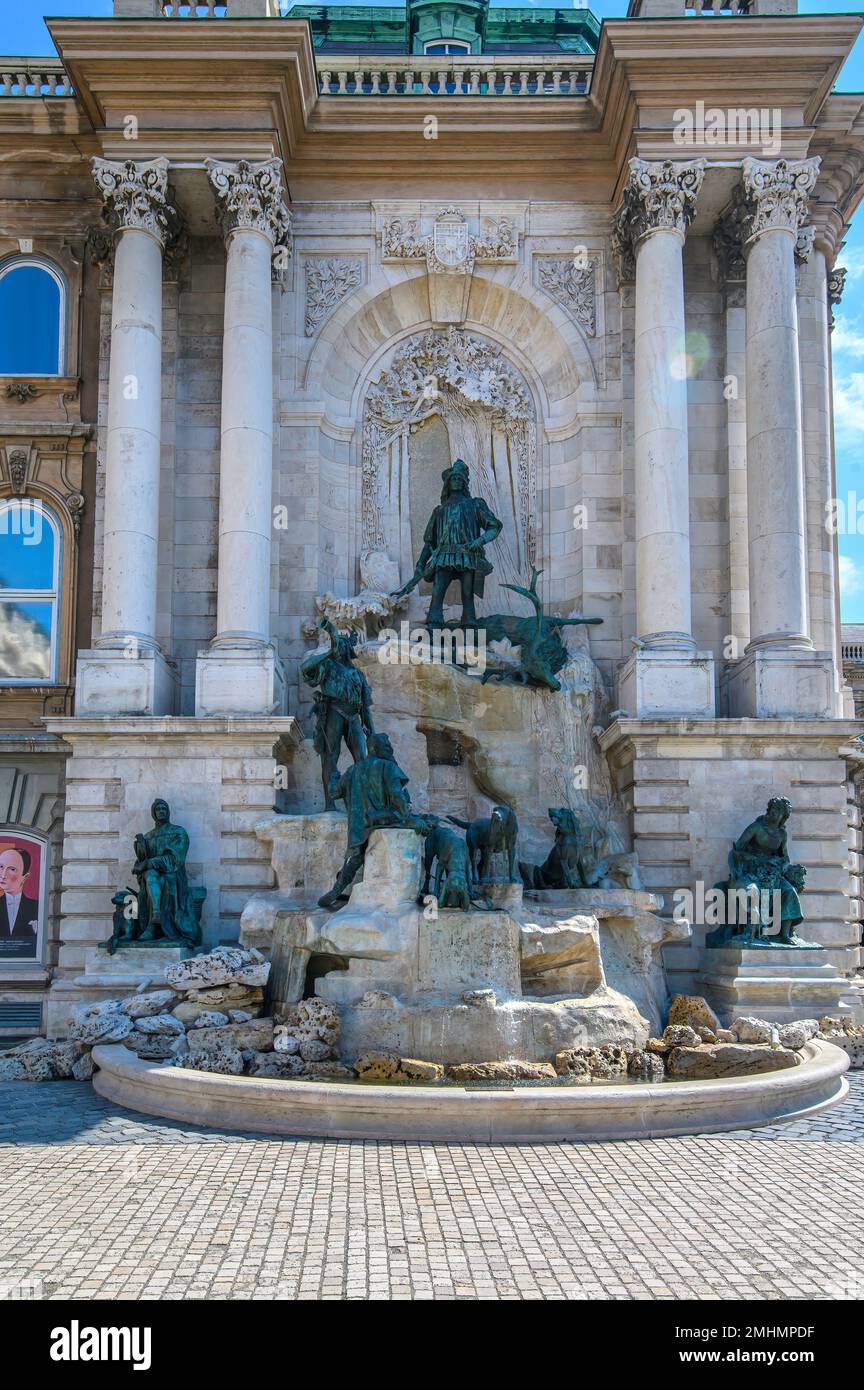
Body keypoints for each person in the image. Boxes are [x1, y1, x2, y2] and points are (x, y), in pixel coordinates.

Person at [318, 732, 428, 910]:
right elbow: (397, 795)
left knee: (355, 857)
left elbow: (334, 792)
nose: (390, 749)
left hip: (360, 826)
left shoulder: (353, 770)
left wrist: (333, 778)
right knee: (423, 824)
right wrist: (406, 816)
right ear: (375, 748)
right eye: (387, 747)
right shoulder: (388, 766)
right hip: (384, 819)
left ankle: (336, 889)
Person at [391, 458, 502, 626]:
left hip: (467, 555)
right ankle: (434, 624)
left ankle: (469, 624)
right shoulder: (439, 510)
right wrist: (421, 563)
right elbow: (429, 542)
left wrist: (479, 541)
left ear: (464, 483)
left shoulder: (475, 504)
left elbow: (494, 526)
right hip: (444, 556)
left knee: (467, 595)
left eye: (460, 478)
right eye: (453, 478)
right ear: (447, 483)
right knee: (438, 592)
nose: (456, 481)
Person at [300, 617, 375, 811]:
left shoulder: (358, 674)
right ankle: (330, 804)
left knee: (362, 759)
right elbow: (305, 668)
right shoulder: (328, 666)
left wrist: (372, 731)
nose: (339, 648)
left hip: (354, 716)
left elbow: (365, 706)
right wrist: (327, 654)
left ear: (348, 649)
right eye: (336, 645)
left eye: (341, 645)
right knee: (330, 758)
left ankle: (363, 803)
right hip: (333, 711)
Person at [132, 799, 201, 946]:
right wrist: (140, 849)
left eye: (164, 808)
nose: (161, 811)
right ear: (153, 813)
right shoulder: (148, 836)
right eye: (158, 809)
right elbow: (143, 861)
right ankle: (155, 916)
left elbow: (175, 859)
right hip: (151, 878)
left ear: (168, 811)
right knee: (150, 876)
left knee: (157, 878)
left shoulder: (178, 832)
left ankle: (152, 926)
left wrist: (148, 863)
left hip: (173, 875)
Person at [0, 845, 40, 959]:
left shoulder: (36, 907)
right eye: (1, 867)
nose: (3, 875)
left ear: (25, 877)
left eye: (12, 869)